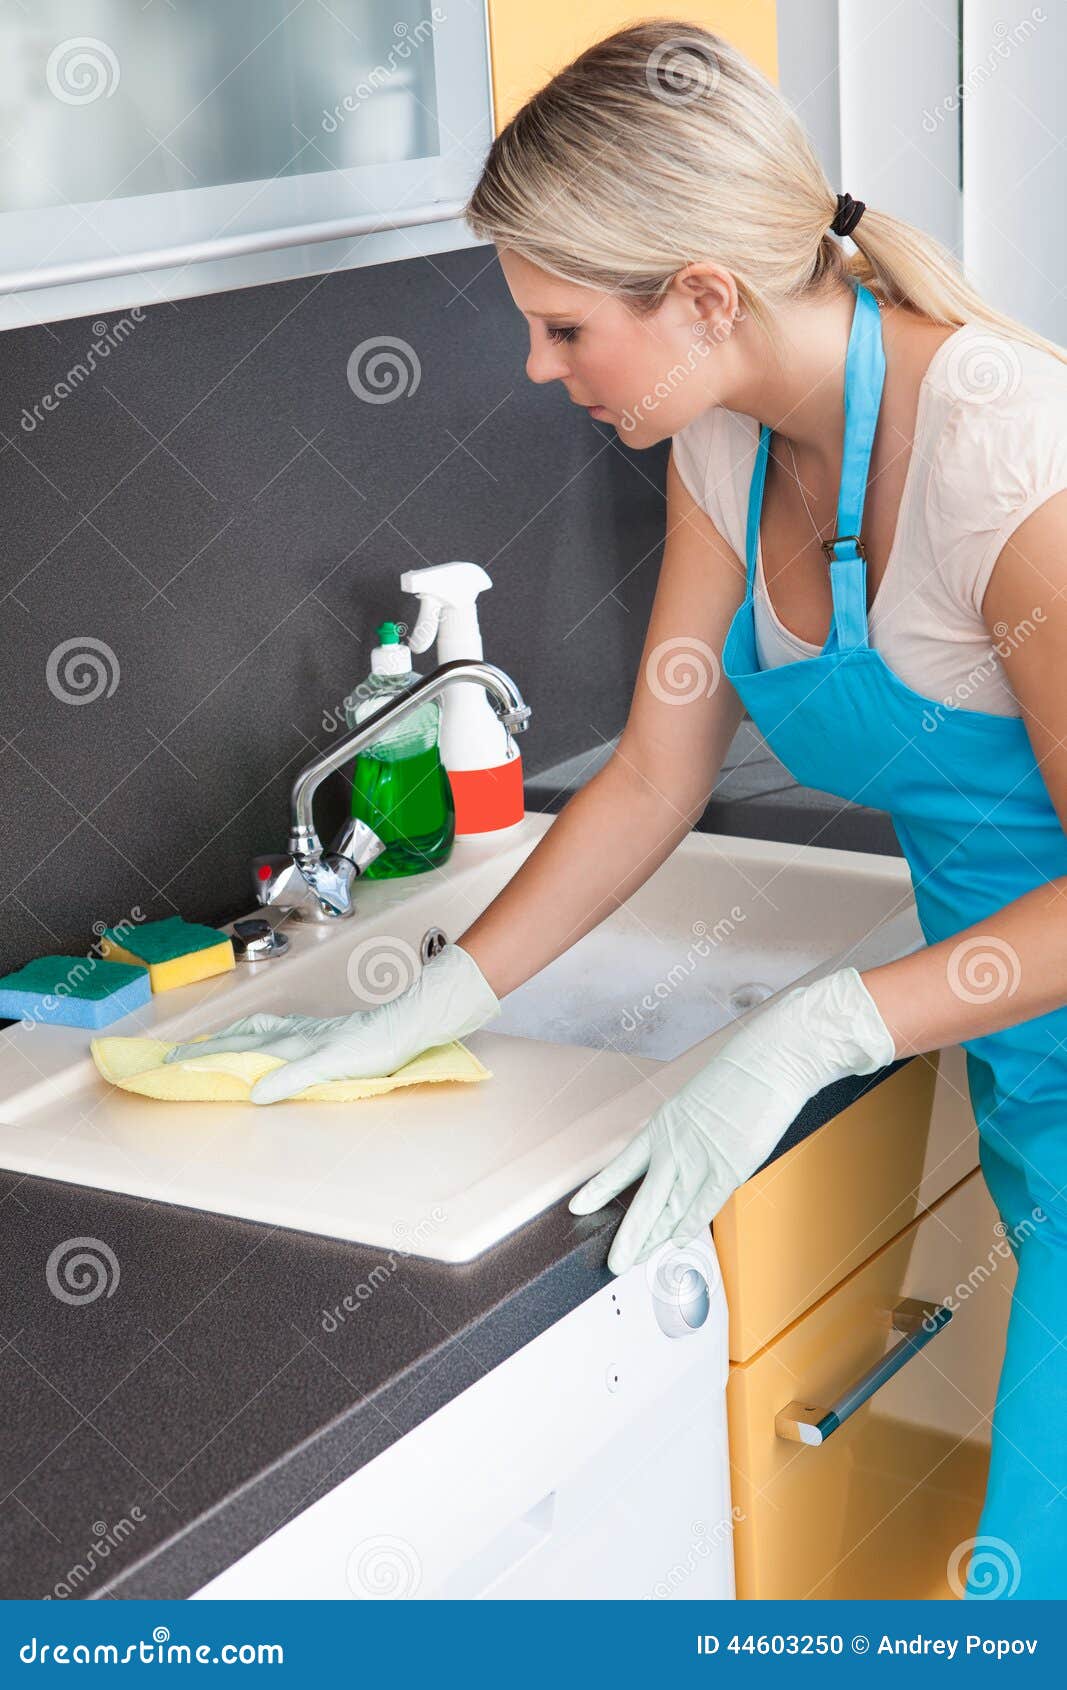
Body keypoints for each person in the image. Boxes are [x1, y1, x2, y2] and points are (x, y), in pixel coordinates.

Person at [166, 24, 1067, 1598]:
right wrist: (440, 991)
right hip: (1024, 1058)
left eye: (563, 327)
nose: (537, 368)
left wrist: (816, 1029)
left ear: (704, 297)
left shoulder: (1011, 457)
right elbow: (659, 767)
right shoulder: (722, 434)